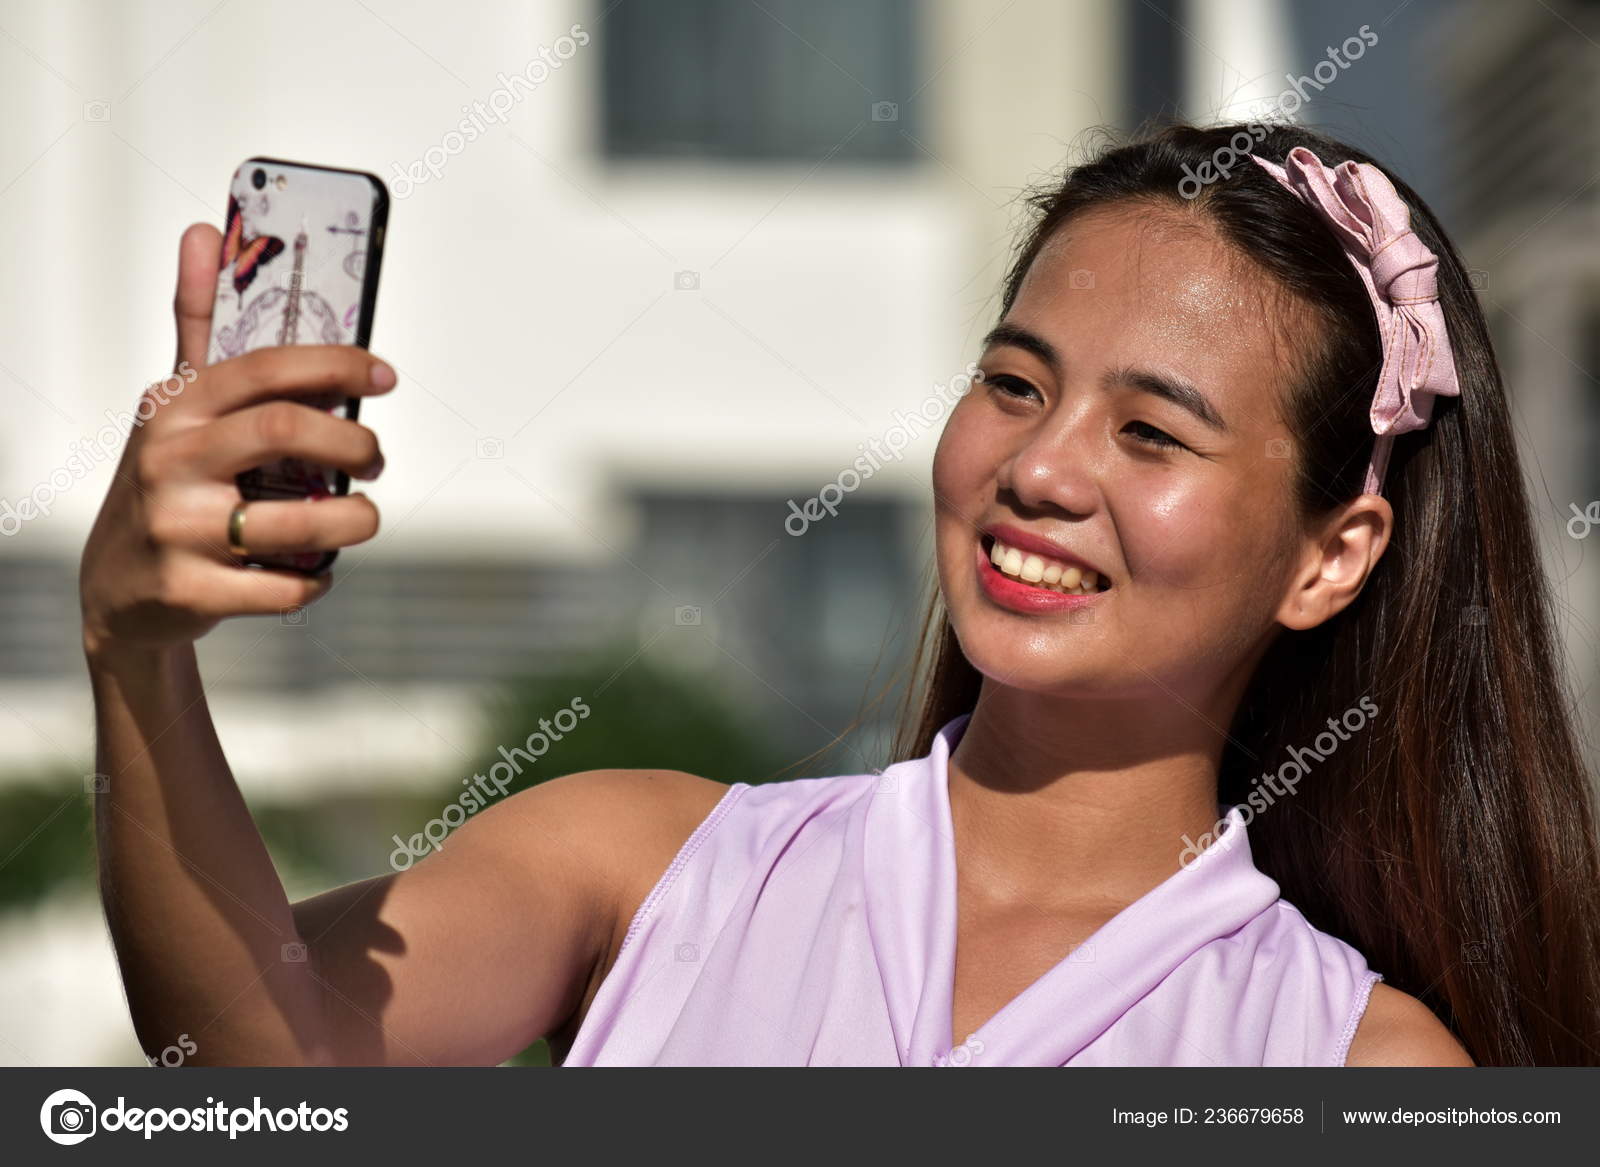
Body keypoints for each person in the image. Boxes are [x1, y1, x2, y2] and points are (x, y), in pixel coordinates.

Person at [81, 123, 1600, 1067]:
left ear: (1332, 555)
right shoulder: (645, 863)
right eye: (1014, 382)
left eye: (1151, 430)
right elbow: (256, 1066)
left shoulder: (1351, 1064)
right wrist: (137, 657)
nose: (1041, 469)